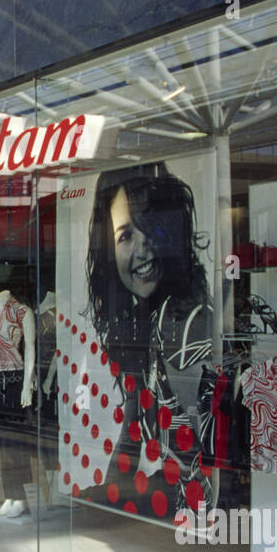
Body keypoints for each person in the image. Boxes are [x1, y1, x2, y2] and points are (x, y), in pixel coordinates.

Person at [79, 166, 214, 520]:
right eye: (125, 236)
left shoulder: (182, 321)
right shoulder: (142, 321)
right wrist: (111, 491)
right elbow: (134, 421)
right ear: (109, 248)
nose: (143, 249)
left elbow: (202, 435)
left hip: (198, 507)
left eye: (151, 228)